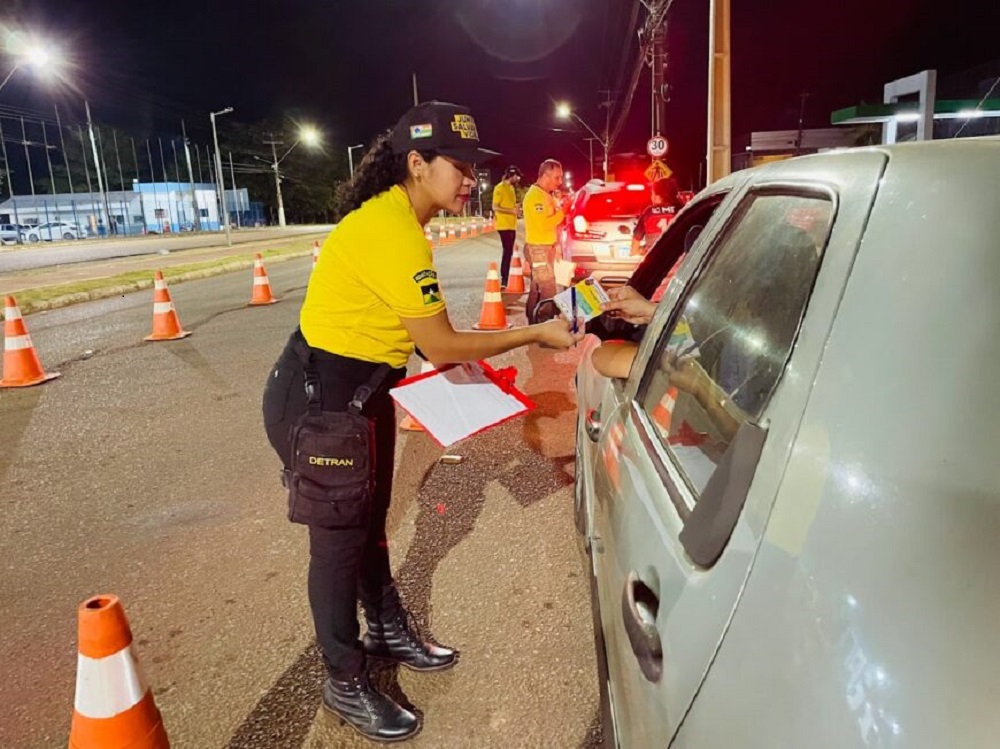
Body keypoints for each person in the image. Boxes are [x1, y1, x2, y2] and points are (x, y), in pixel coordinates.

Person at [261, 101, 582, 743]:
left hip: (363, 395)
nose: (470, 181)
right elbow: (440, 344)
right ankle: (343, 678)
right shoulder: (392, 231)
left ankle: (383, 627)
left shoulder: (399, 220)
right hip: (323, 404)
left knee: (369, 525)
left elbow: (411, 335)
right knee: (336, 546)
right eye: (458, 167)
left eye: (473, 168)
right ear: (416, 163)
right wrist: (535, 332)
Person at [522, 159, 566, 323]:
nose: (559, 182)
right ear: (546, 175)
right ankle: (545, 324)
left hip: (544, 247)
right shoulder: (535, 197)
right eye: (557, 177)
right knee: (547, 288)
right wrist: (562, 212)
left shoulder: (544, 195)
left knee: (537, 288)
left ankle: (534, 323)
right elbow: (543, 225)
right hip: (538, 249)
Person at [630, 176, 680, 257]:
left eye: (652, 193)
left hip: (655, 263)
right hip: (678, 262)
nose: (651, 197)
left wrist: (639, 250)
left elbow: (635, 244)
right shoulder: (682, 209)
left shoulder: (649, 213)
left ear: (658, 196)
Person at [492, 165, 522, 288]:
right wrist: (512, 211)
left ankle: (506, 277)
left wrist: (517, 209)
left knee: (509, 252)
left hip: (512, 225)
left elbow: (511, 206)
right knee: (507, 251)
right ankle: (504, 279)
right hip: (504, 226)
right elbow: (495, 207)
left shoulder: (511, 188)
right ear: (512, 176)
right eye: (517, 176)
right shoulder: (500, 188)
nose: (518, 179)